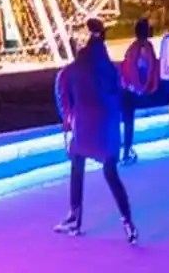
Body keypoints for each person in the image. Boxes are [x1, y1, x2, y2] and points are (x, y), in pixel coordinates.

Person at [53, 19, 138, 242]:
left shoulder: (75, 68)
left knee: (77, 162)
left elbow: (64, 95)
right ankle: (128, 222)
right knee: (110, 173)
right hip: (108, 127)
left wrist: (68, 120)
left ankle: (75, 215)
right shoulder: (108, 67)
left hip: (86, 126)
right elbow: (118, 92)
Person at [120, 17, 160, 164]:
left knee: (128, 119)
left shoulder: (134, 47)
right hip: (136, 91)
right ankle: (126, 151)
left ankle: (126, 150)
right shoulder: (144, 48)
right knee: (128, 119)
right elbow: (147, 70)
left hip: (131, 90)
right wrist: (142, 89)